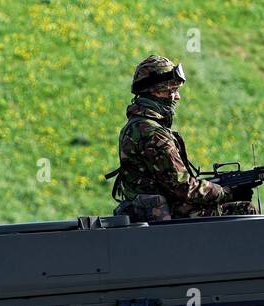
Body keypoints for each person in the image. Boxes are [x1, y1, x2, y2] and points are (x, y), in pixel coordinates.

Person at [109, 55, 256, 221]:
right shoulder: (153, 133)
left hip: (153, 212)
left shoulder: (136, 126)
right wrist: (226, 192)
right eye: (172, 90)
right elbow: (182, 186)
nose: (177, 97)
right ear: (156, 91)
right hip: (169, 217)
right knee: (246, 209)